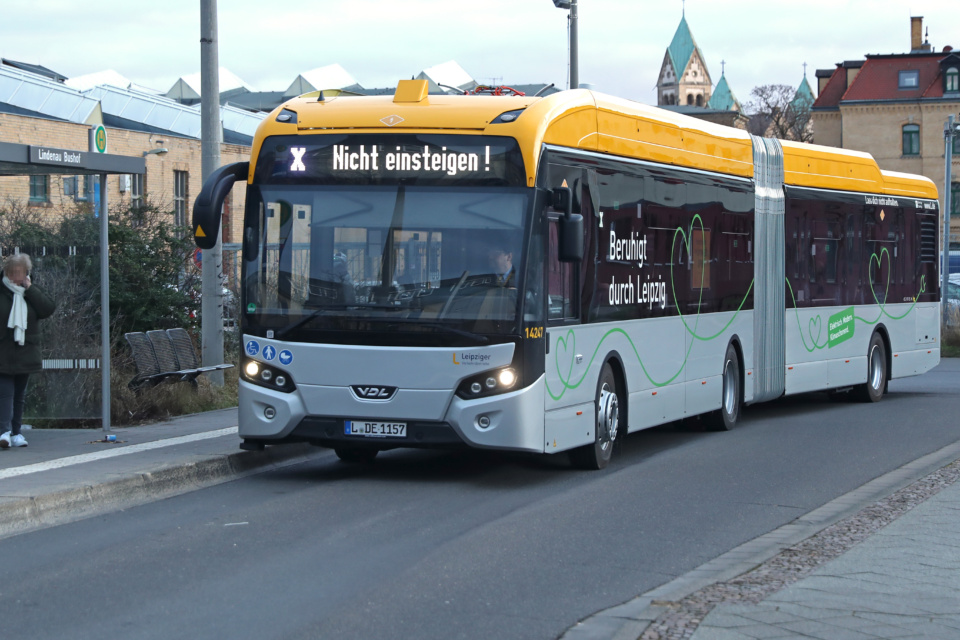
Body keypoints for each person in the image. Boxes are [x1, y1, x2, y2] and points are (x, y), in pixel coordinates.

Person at [0, 254, 56, 449]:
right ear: (6, 272)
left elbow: (47, 309)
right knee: (5, 393)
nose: (16, 277)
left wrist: (30, 289)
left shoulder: (30, 291)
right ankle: (4, 432)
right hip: (3, 351)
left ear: (27, 273)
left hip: (26, 350)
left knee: (19, 395)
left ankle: (16, 433)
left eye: (21, 273)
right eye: (13, 272)